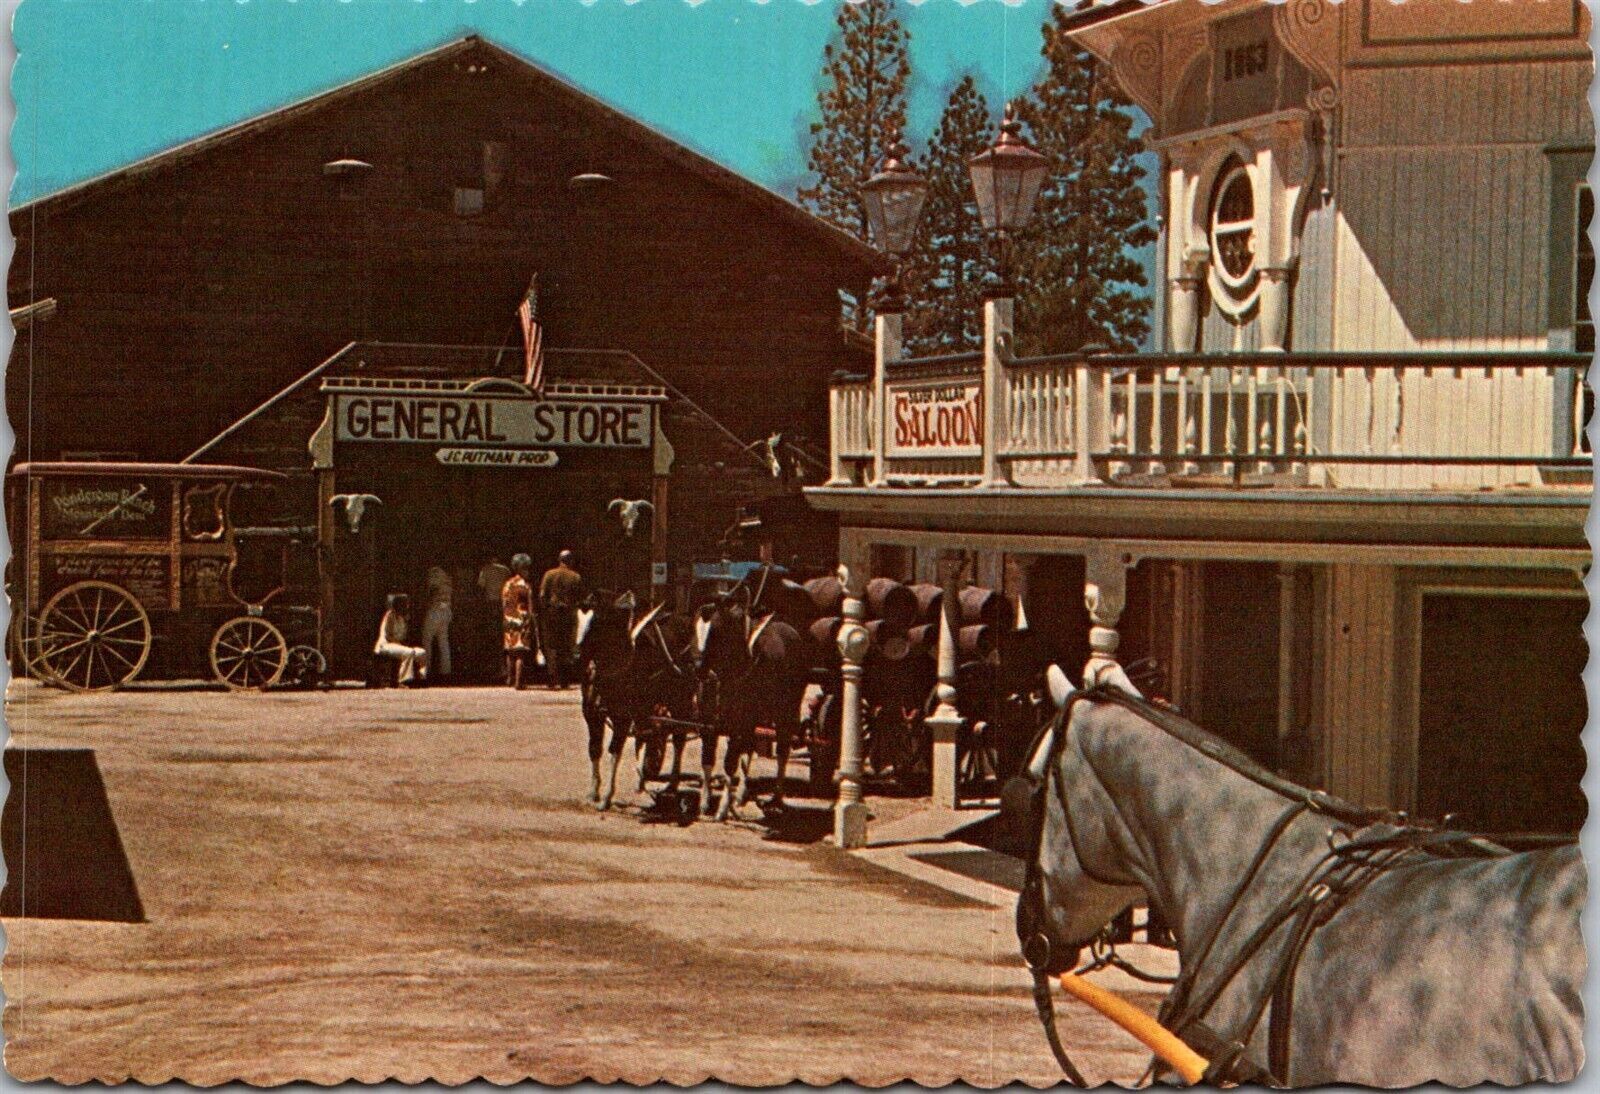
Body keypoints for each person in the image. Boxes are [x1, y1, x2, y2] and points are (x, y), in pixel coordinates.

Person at [539, 549, 584, 690]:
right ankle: (565, 680)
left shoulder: (549, 575)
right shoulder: (575, 577)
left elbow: (542, 595)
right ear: (570, 561)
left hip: (551, 614)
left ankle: (552, 679)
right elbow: (579, 597)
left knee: (551, 647)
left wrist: (544, 610)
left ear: (559, 560)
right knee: (566, 647)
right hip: (568, 614)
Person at [374, 593, 428, 687]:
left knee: (422, 653)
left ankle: (421, 678)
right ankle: (403, 680)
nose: (406, 606)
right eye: (404, 604)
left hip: (398, 645)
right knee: (408, 652)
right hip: (386, 645)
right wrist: (399, 644)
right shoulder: (390, 616)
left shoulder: (404, 618)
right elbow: (387, 636)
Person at [501, 554, 536, 690]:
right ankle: (519, 681)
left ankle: (510, 678)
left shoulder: (507, 584)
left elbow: (504, 603)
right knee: (521, 651)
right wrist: (531, 618)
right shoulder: (526, 586)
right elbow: (530, 604)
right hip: (522, 618)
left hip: (509, 618)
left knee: (510, 650)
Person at [420, 565, 453, 680]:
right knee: (443, 642)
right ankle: (446, 671)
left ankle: (426, 670)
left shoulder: (434, 576)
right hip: (447, 610)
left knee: (427, 640)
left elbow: (430, 594)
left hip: (435, 611)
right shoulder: (448, 580)